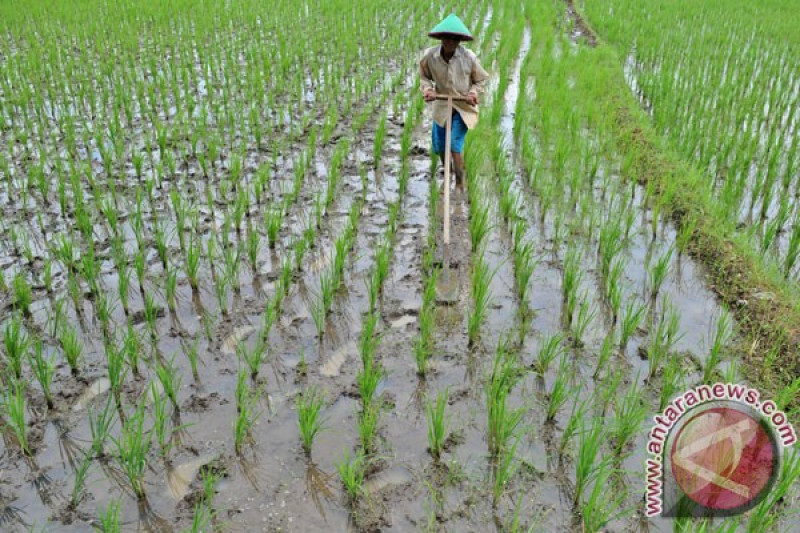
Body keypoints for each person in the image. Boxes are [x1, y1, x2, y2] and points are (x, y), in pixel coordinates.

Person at [420, 13, 488, 193]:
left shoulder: (469, 58)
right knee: (441, 146)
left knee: (455, 145)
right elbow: (424, 77)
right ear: (441, 38)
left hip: (463, 106)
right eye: (446, 38)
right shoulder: (430, 56)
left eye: (454, 39)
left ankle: (459, 183)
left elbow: (480, 81)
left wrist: (473, 93)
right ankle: (447, 172)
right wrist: (427, 90)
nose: (450, 41)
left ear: (459, 41)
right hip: (442, 105)